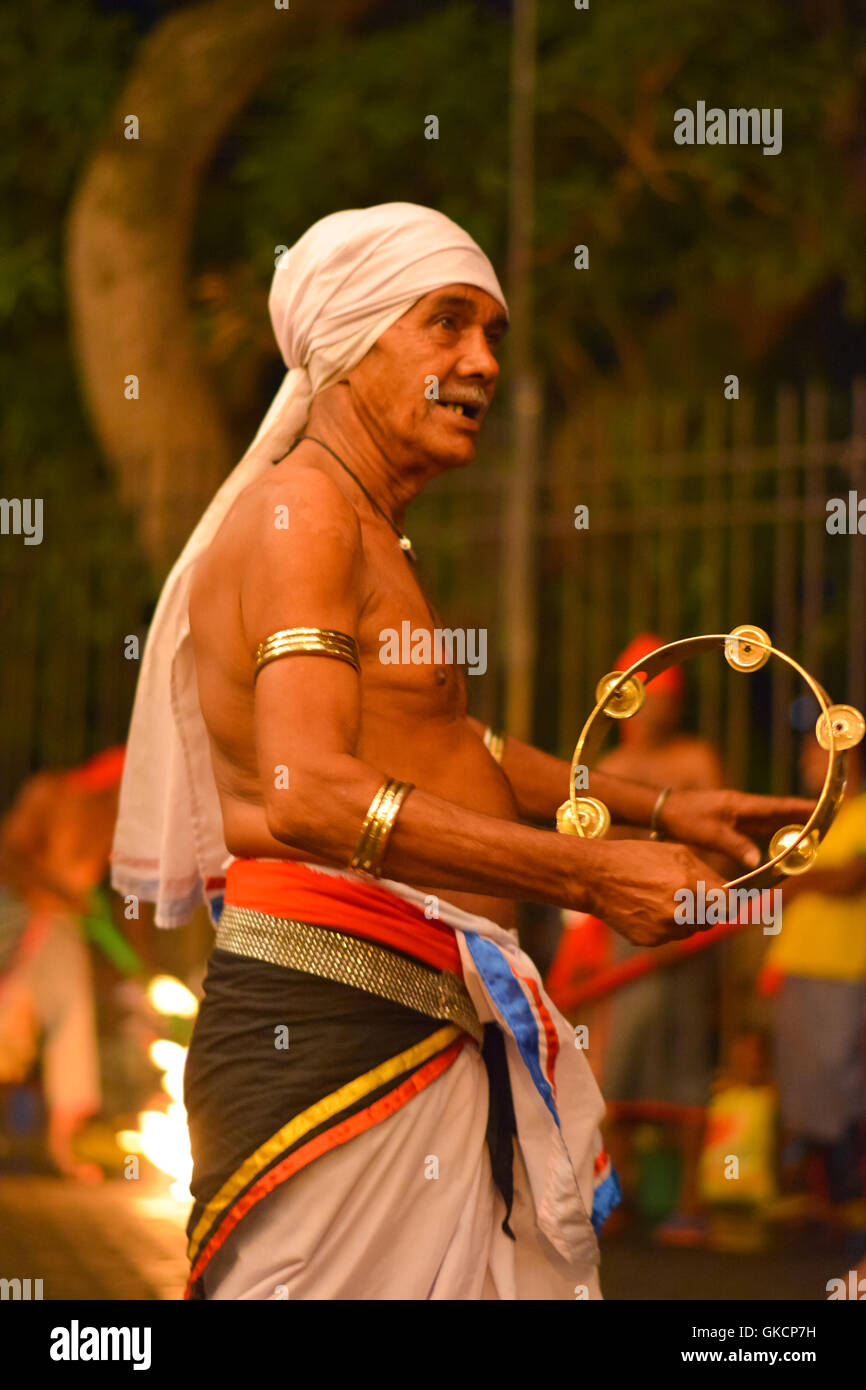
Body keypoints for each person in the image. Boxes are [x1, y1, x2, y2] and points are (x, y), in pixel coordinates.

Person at [111, 202, 812, 1300]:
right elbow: (307, 793)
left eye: (490, 334)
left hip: (403, 1017)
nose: (481, 361)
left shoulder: (357, 521)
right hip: (337, 1025)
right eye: (445, 324)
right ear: (349, 340)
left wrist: (659, 809)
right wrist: (589, 870)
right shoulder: (303, 513)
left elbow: (439, 737)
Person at [553, 633, 728, 1246]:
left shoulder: (696, 762)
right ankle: (616, 1194)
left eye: (669, 697)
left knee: (686, 1065)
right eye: (651, 696)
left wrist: (699, 914)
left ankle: (691, 1200)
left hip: (689, 934)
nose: (662, 708)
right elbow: (588, 858)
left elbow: (718, 850)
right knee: (617, 1062)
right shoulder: (611, 771)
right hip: (622, 937)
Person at [0, 747, 125, 1181]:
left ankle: (61, 1145)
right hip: (18, 916)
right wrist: (57, 891)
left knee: (72, 1022)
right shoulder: (51, 792)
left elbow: (127, 885)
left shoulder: (115, 816)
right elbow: (10, 855)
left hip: (65, 929)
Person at [759, 737, 866, 1233]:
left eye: (813, 753)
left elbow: (853, 877)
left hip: (845, 966)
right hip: (798, 962)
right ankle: (819, 1193)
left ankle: (848, 1192)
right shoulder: (814, 821)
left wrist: (804, 882)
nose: (805, 761)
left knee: (841, 1079)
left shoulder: (862, 813)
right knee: (804, 1084)